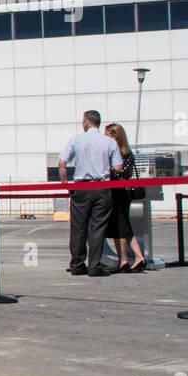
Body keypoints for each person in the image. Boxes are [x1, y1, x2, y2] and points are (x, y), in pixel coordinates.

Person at [58, 110, 123, 276]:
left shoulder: (77, 139)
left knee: (78, 227)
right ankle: (94, 264)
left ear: (86, 122)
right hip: (102, 188)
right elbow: (118, 167)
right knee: (98, 227)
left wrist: (66, 184)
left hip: (81, 188)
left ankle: (77, 264)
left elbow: (62, 163)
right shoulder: (109, 142)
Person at [103, 122, 146, 272]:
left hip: (121, 193)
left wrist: (107, 168)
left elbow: (120, 173)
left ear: (116, 137)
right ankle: (136, 258)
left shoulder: (126, 154)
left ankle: (125, 260)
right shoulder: (112, 153)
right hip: (113, 192)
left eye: (108, 137)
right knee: (121, 228)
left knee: (121, 228)